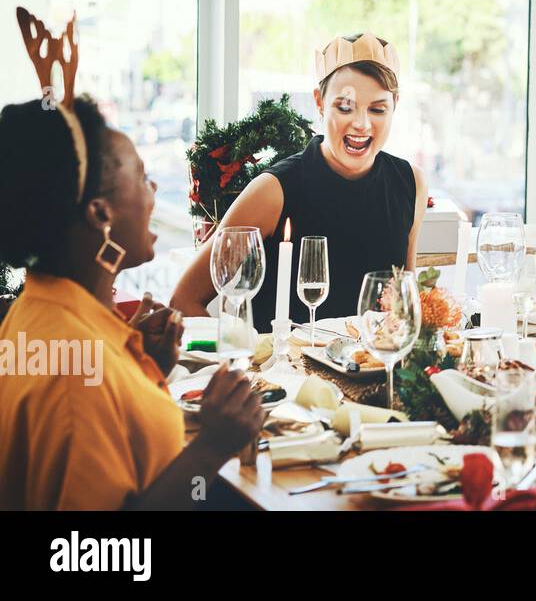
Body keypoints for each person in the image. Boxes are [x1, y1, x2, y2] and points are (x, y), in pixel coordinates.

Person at [0, 64, 263, 508]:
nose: (154, 188)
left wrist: (145, 370)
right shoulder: (79, 372)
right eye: (140, 176)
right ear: (100, 213)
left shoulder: (44, 309)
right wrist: (212, 447)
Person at [172, 33, 427, 331]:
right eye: (345, 107)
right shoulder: (272, 190)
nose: (362, 123)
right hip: (286, 375)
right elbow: (184, 301)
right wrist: (242, 359)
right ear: (320, 102)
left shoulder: (411, 183)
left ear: (395, 104)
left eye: (377, 109)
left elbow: (405, 305)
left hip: (374, 370)